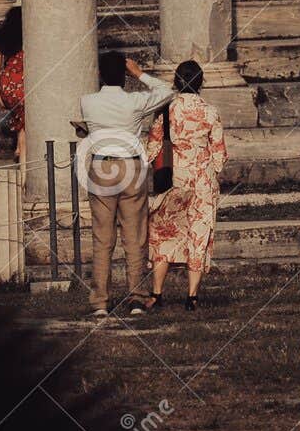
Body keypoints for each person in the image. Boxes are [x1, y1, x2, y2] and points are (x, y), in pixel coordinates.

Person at [78, 51, 173, 318]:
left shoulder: (87, 101)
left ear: (100, 74)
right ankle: (137, 298)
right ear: (124, 74)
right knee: (135, 237)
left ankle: (99, 301)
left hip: (101, 166)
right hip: (130, 165)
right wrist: (139, 73)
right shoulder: (135, 101)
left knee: (102, 237)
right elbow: (167, 91)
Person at [142, 60, 229, 311]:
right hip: (203, 180)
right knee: (198, 236)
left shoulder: (166, 110)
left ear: (176, 81)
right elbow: (220, 155)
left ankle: (157, 293)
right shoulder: (211, 112)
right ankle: (192, 296)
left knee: (162, 233)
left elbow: (153, 148)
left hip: (173, 178)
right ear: (201, 82)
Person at [0, 6, 25, 165]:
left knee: (21, 115)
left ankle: (19, 146)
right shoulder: (29, 35)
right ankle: (21, 147)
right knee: (26, 115)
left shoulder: (3, 38)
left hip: (7, 84)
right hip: (23, 83)